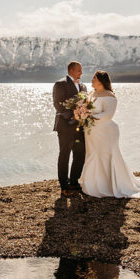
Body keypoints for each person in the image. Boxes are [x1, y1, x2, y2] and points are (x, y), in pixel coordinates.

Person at [79, 70, 140, 198]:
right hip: (92, 132)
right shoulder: (91, 93)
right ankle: (92, 184)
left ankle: (108, 185)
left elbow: (108, 115)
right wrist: (81, 113)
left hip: (105, 132)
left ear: (101, 81)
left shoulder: (110, 96)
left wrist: (89, 116)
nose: (91, 80)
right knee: (93, 155)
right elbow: (85, 108)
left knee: (106, 156)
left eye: (94, 78)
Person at [52, 61, 87, 197]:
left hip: (80, 127)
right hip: (65, 126)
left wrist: (84, 115)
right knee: (64, 155)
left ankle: (74, 182)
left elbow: (85, 103)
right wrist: (73, 115)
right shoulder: (60, 84)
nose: (81, 73)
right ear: (71, 70)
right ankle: (64, 186)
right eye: (79, 70)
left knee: (80, 155)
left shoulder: (83, 86)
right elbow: (57, 104)